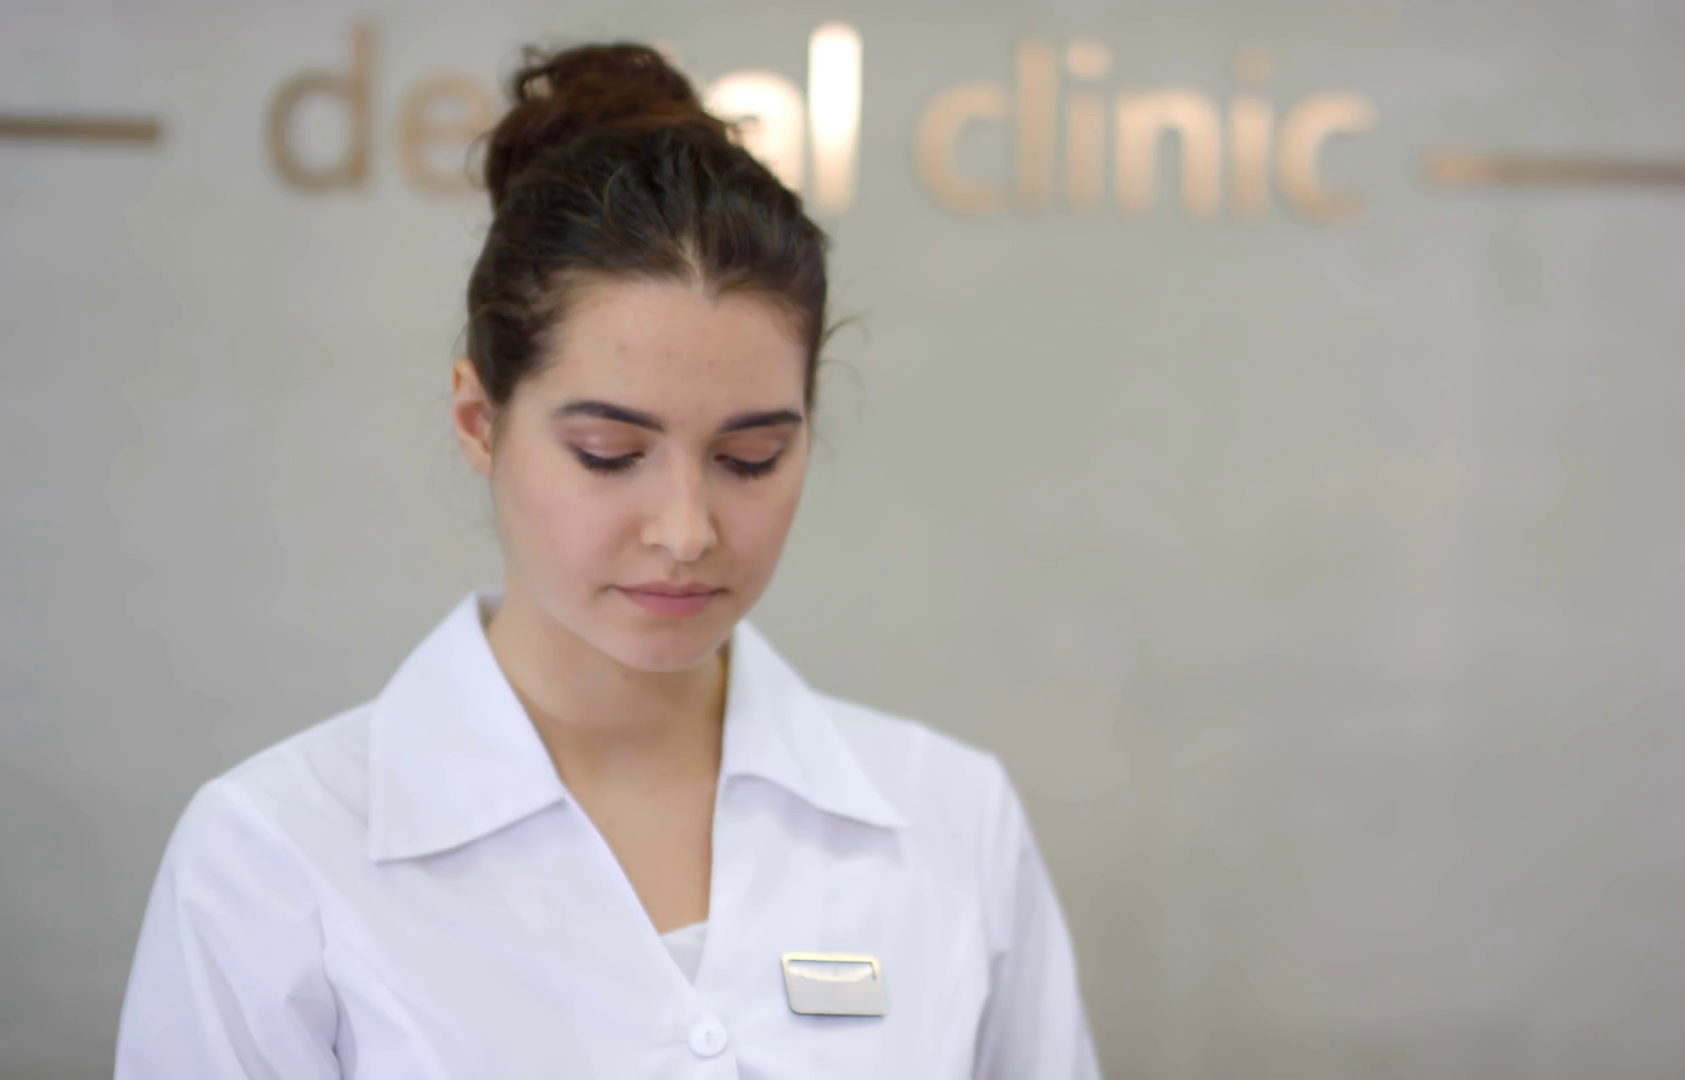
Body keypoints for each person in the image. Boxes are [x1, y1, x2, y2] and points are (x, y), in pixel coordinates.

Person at [114, 41, 1100, 1079]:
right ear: (477, 419)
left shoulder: (952, 821)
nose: (686, 530)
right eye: (610, 455)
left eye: (750, 458)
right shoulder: (276, 856)